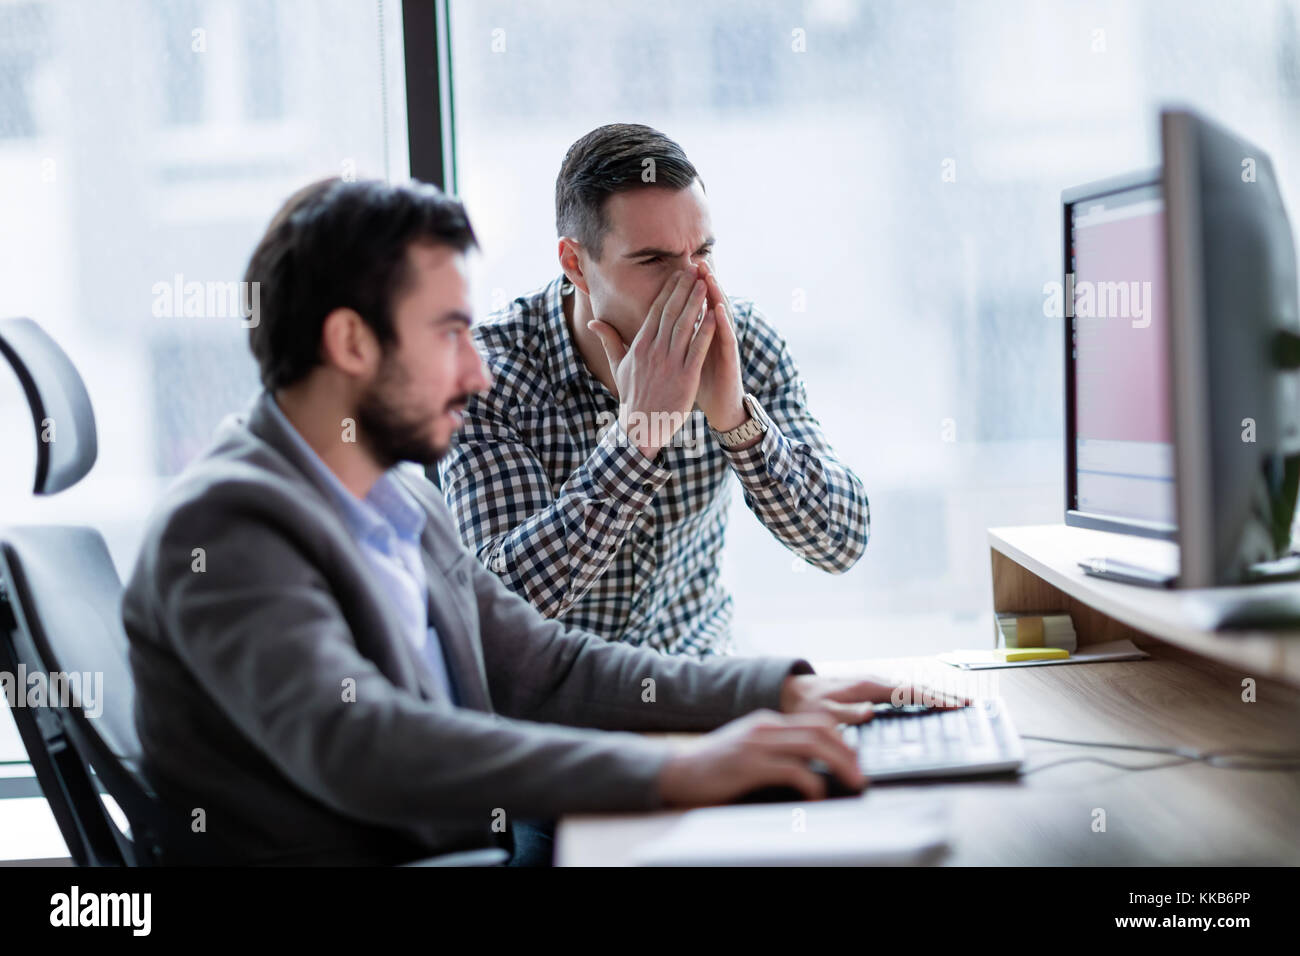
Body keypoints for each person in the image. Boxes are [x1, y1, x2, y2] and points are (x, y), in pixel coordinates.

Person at [121, 177, 947, 866]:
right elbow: (364, 744)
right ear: (351, 343)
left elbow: (538, 668)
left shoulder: (392, 496)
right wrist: (676, 770)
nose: (476, 372)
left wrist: (781, 690)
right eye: (449, 334)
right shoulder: (228, 526)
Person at [439, 123, 869, 656]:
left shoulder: (743, 342)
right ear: (575, 263)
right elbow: (496, 607)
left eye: (703, 253)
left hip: (696, 683)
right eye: (655, 261)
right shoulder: (489, 376)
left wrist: (738, 423)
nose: (694, 284)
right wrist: (637, 440)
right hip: (556, 708)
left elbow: (843, 542)